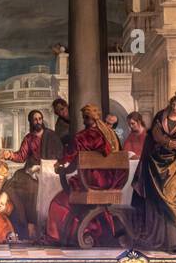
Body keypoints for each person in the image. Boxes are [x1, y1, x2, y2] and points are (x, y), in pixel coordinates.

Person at [46, 104, 127, 246]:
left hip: (92, 183)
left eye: (85, 118)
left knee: (60, 199)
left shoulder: (82, 137)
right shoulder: (110, 134)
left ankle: (65, 235)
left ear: (90, 118)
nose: (83, 121)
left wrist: (60, 166)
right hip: (112, 182)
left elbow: (71, 158)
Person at [133, 92, 176, 252]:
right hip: (156, 164)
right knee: (156, 201)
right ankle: (157, 239)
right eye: (174, 105)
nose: (175, 108)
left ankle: (174, 243)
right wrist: (167, 142)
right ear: (171, 104)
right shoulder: (161, 116)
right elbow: (155, 134)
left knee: (174, 201)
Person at [0, 109, 64, 240]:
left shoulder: (51, 136)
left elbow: (59, 155)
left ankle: (39, 226)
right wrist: (10, 155)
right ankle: (26, 224)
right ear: (31, 122)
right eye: (35, 119)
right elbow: (21, 156)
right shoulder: (29, 138)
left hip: (49, 170)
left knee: (35, 189)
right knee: (14, 184)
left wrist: (45, 165)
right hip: (31, 170)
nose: (38, 121)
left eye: (40, 119)